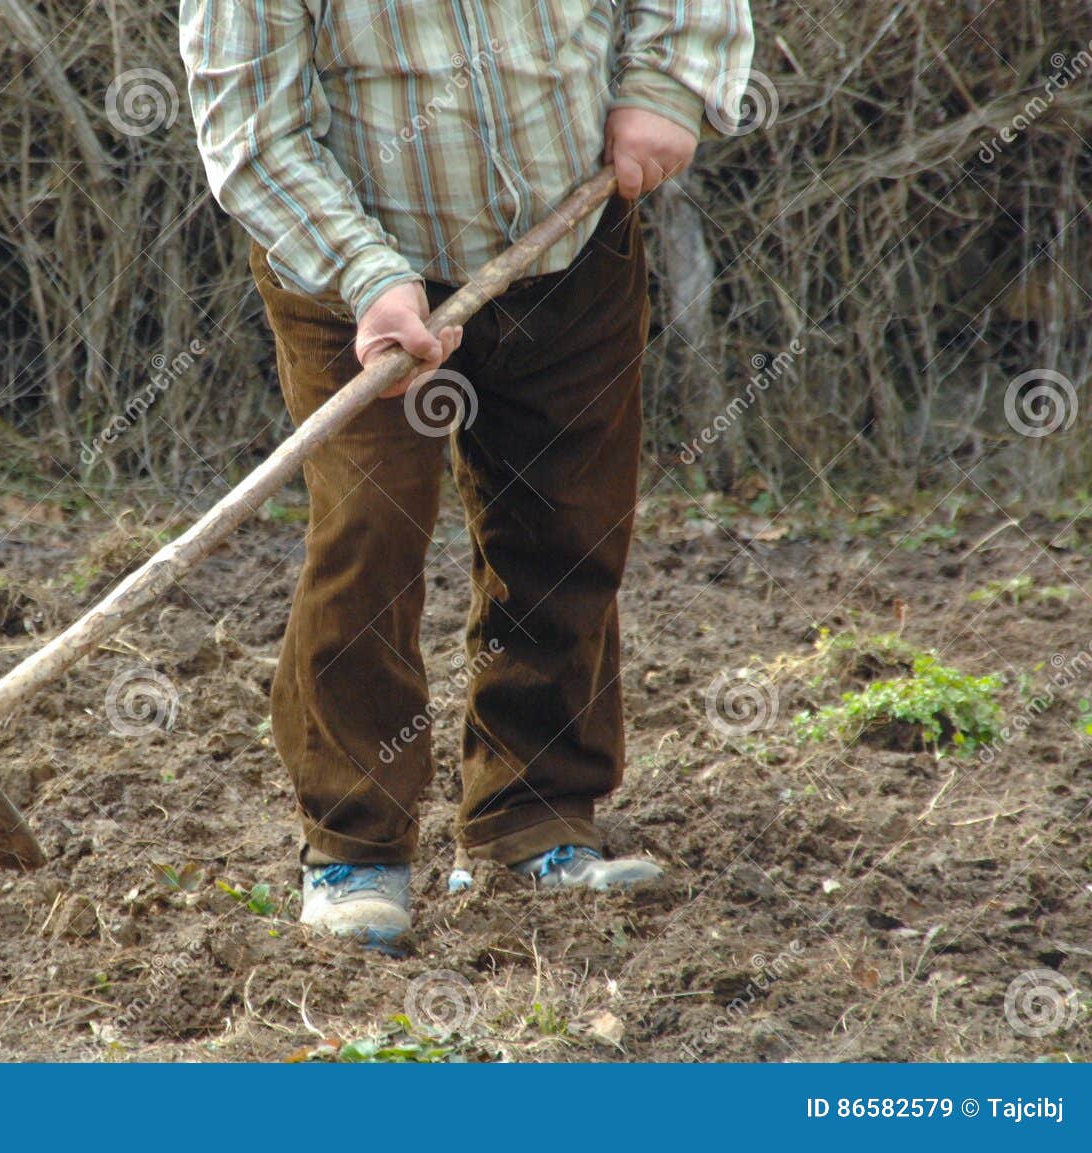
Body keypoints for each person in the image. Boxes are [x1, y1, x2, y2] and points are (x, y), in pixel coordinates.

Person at [181, 1, 754, 943]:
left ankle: (534, 814)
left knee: (568, 525)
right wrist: (369, 273)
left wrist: (664, 85)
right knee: (368, 533)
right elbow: (252, 135)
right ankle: (354, 847)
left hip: (572, 242)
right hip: (350, 282)